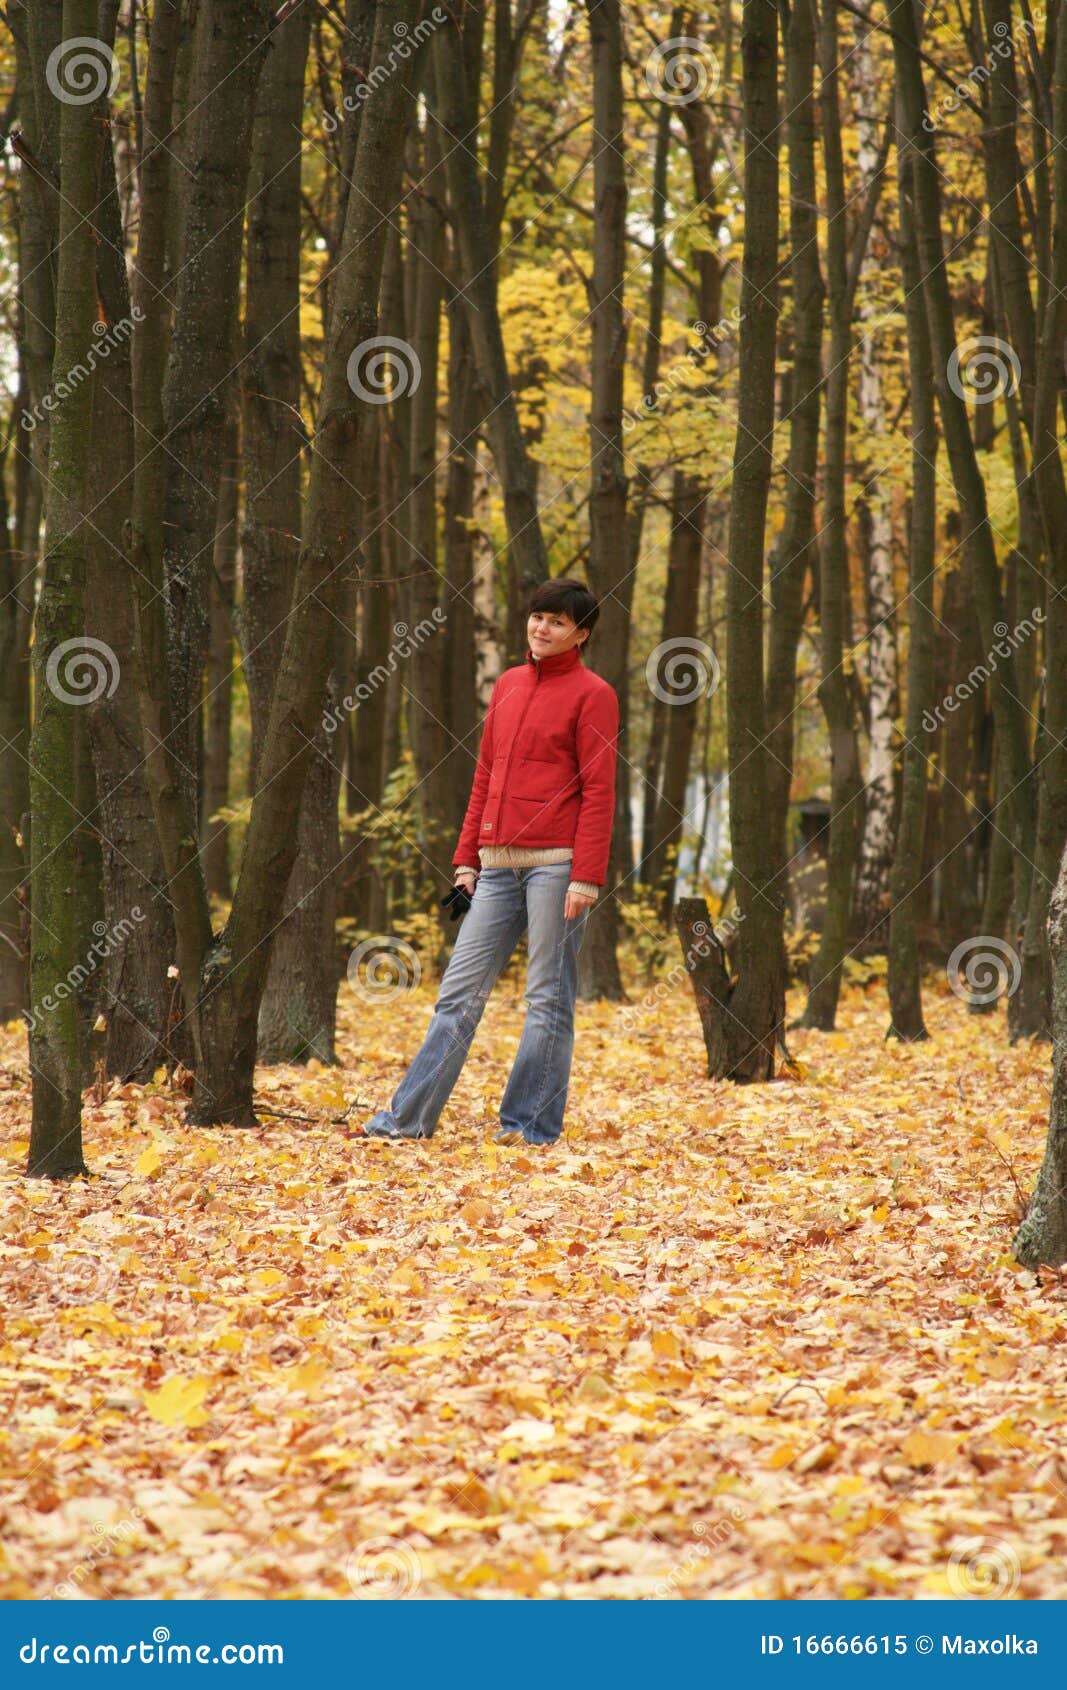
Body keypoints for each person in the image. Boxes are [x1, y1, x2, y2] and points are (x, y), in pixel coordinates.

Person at [359, 578, 619, 1146]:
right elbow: (485, 777)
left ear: (581, 633)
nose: (541, 627)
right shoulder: (506, 685)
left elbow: (599, 790)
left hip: (558, 864)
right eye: (536, 616)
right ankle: (408, 1120)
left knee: (547, 995)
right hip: (496, 867)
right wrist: (465, 861)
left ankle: (529, 1126)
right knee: (459, 993)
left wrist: (587, 876)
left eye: (556, 620)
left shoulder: (593, 693)